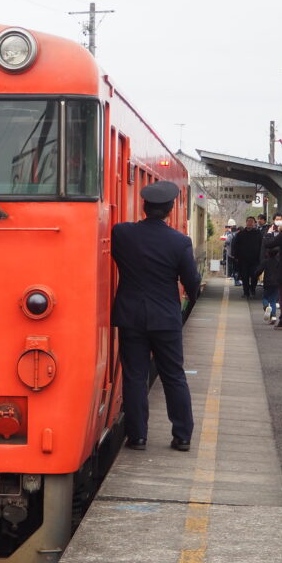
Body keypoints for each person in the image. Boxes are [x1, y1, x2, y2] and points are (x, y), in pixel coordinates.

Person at [111, 180, 201, 452]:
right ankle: (182, 436)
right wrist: (189, 302)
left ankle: (137, 436)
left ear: (143, 206)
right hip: (165, 318)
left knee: (135, 376)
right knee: (173, 374)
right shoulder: (180, 242)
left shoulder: (122, 233)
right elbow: (192, 281)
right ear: (171, 209)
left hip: (131, 316)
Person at [232, 216, 263, 298]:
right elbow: (235, 246)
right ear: (246, 223)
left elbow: (262, 246)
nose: (249, 223)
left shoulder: (258, 233)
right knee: (244, 276)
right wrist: (235, 256)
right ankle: (246, 292)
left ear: (254, 223)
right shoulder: (241, 234)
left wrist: (261, 257)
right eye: (248, 221)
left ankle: (252, 289)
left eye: (251, 222)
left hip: (255, 260)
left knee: (254, 276)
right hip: (243, 260)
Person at [260, 215, 282, 322]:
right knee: (273, 299)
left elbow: (259, 269)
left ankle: (265, 306)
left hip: (267, 281)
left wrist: (255, 276)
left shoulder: (266, 261)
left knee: (265, 297)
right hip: (277, 281)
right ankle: (273, 316)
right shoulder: (280, 261)